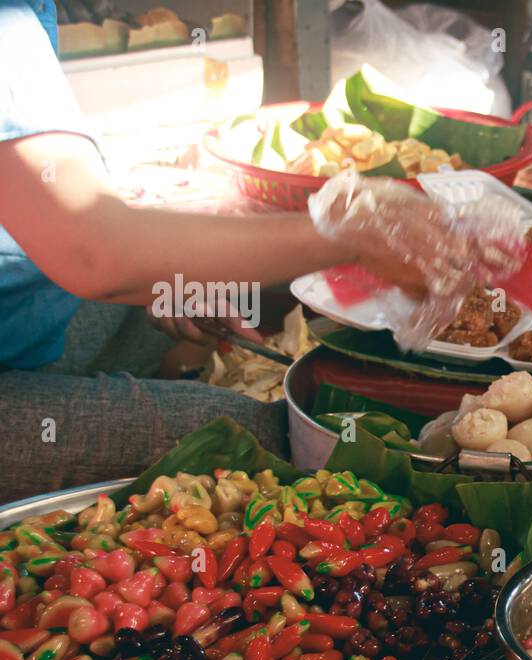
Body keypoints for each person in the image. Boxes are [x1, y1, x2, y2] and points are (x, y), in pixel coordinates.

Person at [0, 0, 450, 502]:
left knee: (184, 294)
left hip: (21, 313)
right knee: (253, 435)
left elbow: (59, 226)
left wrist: (157, 274)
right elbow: (92, 251)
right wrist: (348, 236)